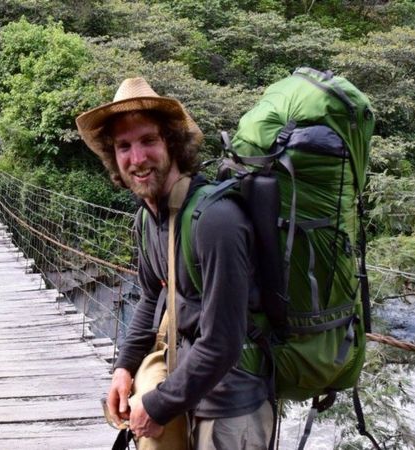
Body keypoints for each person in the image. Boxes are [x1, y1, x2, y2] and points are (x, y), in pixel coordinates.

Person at [75, 77, 272, 449]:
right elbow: (151, 296)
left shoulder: (216, 221)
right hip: (184, 383)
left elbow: (223, 342)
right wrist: (124, 366)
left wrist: (159, 403)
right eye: (124, 146)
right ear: (112, 158)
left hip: (232, 403)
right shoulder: (148, 218)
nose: (137, 159)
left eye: (148, 140)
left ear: (172, 143)